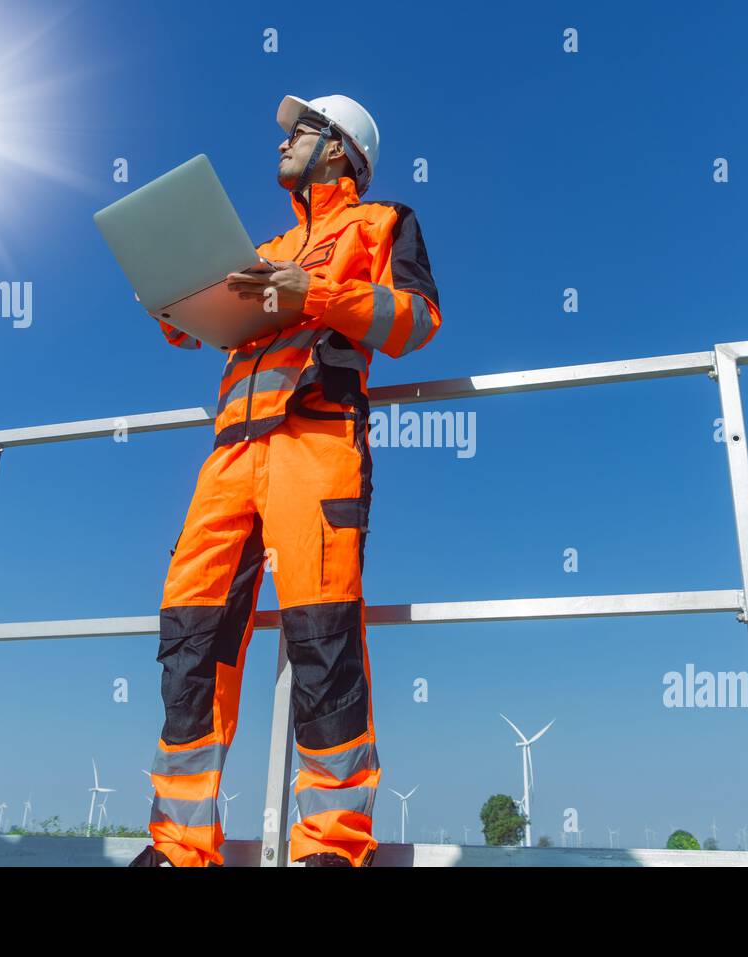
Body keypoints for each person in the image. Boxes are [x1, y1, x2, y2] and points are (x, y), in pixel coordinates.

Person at [129, 94, 442, 867]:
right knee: (188, 641)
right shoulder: (259, 244)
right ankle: (179, 847)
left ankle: (332, 847)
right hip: (228, 459)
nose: (284, 141)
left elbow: (417, 322)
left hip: (317, 441)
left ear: (340, 150)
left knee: (322, 638)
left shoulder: (382, 223)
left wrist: (319, 296)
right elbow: (191, 329)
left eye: (300, 130)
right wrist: (170, 295)